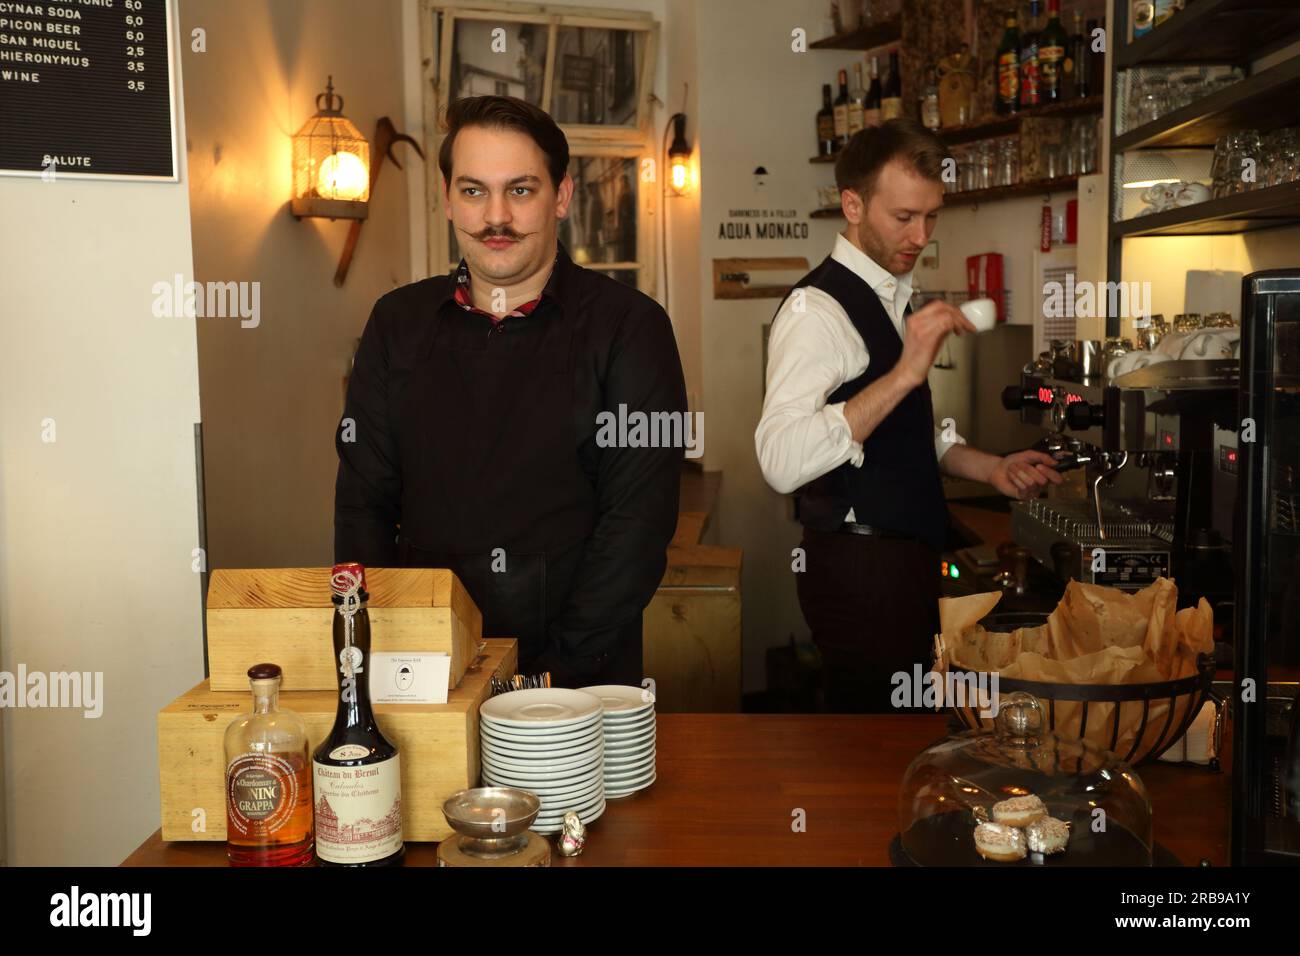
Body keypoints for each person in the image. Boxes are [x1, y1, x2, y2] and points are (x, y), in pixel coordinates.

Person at [334, 95, 687, 688]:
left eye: (520, 191)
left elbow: (637, 525)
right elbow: (362, 506)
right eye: (474, 191)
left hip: (579, 681)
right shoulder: (397, 322)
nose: (496, 216)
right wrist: (375, 655)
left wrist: (548, 678)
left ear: (563, 197)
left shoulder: (630, 327)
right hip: (423, 671)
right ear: (447, 200)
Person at [755, 119, 1063, 713]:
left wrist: (991, 468)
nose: (920, 235)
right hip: (858, 570)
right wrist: (904, 374)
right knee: (874, 752)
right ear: (852, 204)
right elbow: (781, 460)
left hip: (906, 563)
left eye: (932, 216)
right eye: (903, 217)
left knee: (912, 738)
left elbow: (905, 431)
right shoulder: (815, 310)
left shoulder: (893, 294)